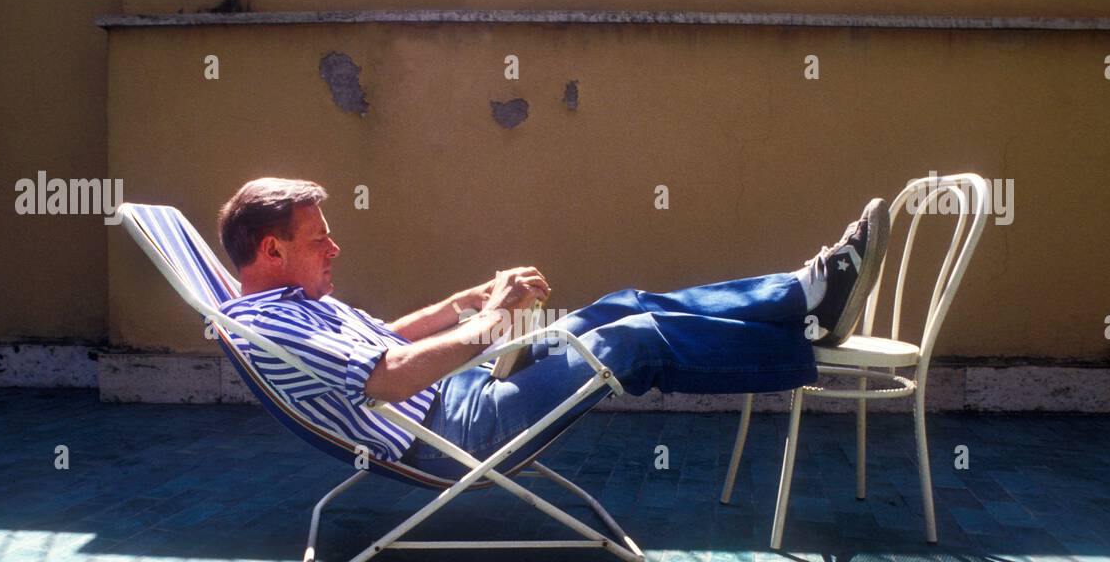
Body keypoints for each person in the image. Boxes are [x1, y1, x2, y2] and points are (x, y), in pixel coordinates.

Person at [218, 177, 889, 481]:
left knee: (616, 306)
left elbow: (386, 339)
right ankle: (803, 333)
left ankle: (804, 295)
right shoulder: (268, 321)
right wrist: (489, 321)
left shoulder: (296, 302)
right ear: (272, 251)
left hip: (465, 389)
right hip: (456, 430)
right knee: (633, 341)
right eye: (317, 242)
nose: (333, 251)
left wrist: (465, 300)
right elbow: (386, 378)